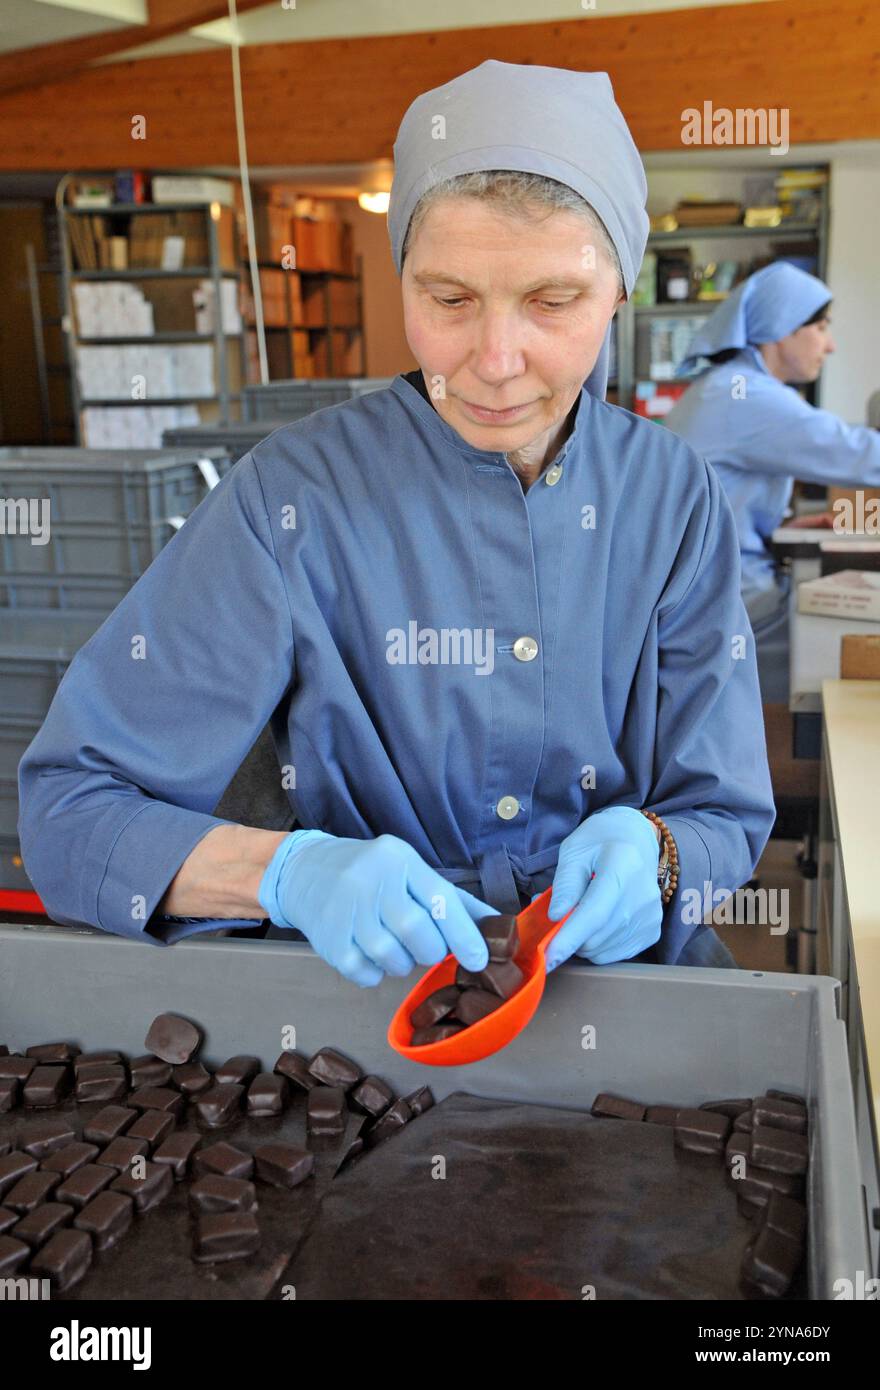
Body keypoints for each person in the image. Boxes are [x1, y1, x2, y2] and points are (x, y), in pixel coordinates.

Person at [18, 60, 775, 980]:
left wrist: (660, 859)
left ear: (621, 289)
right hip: (365, 1001)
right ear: (402, 278)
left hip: (623, 991)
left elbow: (724, 813)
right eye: (448, 300)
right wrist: (284, 874)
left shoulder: (672, 497)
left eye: (554, 302)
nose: (495, 361)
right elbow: (70, 814)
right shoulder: (289, 500)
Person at [665, 261, 880, 703]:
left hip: (702, 585)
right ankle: (808, 757)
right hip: (722, 598)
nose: (831, 344)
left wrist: (772, 529)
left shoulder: (730, 386)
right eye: (821, 327)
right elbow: (862, 456)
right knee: (852, 627)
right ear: (782, 328)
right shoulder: (747, 395)